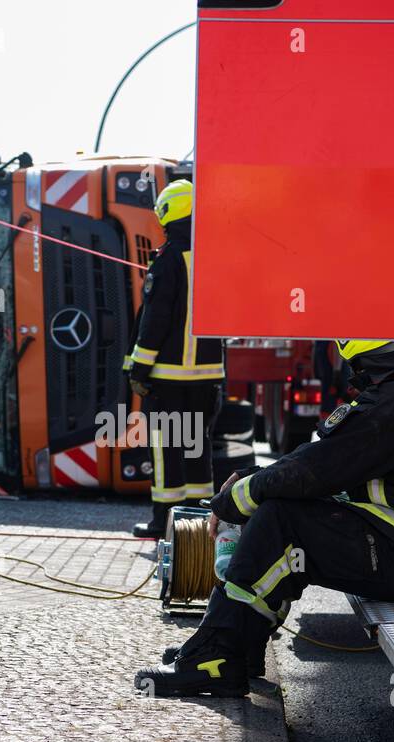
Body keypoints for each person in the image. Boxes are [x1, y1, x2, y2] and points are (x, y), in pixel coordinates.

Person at [134, 340, 394, 697]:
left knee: (282, 520)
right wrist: (256, 477)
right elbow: (327, 465)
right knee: (281, 507)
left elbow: (313, 471)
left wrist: (233, 501)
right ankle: (237, 646)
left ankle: (215, 658)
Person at [125, 179, 224, 538]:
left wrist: (138, 367)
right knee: (198, 448)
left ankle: (162, 520)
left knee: (166, 450)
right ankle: (199, 527)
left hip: (168, 380)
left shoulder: (166, 261)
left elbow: (155, 320)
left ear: (168, 212)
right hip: (208, 378)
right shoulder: (215, 257)